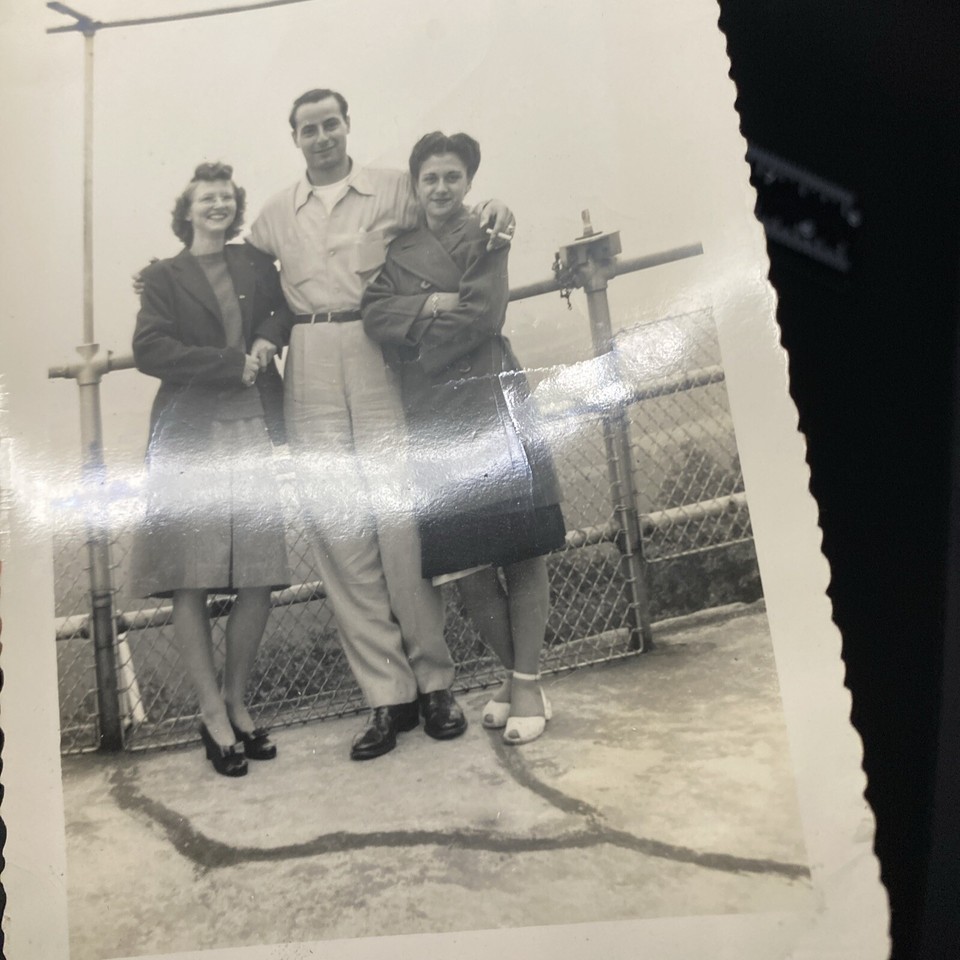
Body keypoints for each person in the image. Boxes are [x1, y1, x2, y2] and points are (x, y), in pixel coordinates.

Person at [246, 89, 516, 760]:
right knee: (340, 528)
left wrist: (496, 209)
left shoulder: (394, 188)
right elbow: (248, 281)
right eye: (308, 129)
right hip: (308, 355)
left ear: (347, 126)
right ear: (294, 137)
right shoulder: (275, 215)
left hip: (375, 351)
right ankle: (386, 695)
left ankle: (435, 683)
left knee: (402, 518)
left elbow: (452, 215)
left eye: (330, 124)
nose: (321, 137)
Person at [361, 132, 566, 745]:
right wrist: (431, 303)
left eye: (453, 177)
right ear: (416, 184)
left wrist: (417, 341)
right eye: (430, 178)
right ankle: (521, 679)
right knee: (469, 565)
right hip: (434, 417)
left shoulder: (488, 231)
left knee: (522, 548)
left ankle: (524, 683)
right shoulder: (399, 251)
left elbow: (483, 313)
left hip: (489, 399)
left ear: (469, 182)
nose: (441, 188)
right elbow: (375, 314)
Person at [130, 162, 290, 777]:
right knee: (191, 580)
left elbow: (282, 308)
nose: (218, 205)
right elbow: (149, 349)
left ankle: (236, 702)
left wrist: (265, 339)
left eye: (226, 197)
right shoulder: (163, 277)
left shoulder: (254, 263)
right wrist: (228, 362)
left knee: (259, 575)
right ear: (188, 210)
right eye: (207, 198)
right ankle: (211, 715)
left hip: (251, 426)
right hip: (189, 437)